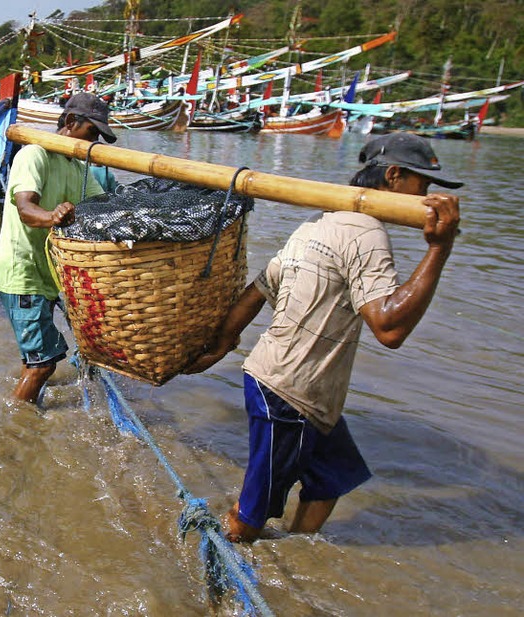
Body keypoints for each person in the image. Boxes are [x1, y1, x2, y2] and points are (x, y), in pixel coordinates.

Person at [186, 132, 462, 542]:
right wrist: (439, 249)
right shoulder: (367, 235)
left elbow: (259, 289)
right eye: (423, 184)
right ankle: (219, 580)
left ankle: (293, 550)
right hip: (288, 392)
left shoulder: (317, 224)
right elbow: (389, 329)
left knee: (334, 478)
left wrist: (224, 344)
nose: (427, 195)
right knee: (250, 516)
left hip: (300, 391)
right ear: (394, 176)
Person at [0, 92, 117, 404]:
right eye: (91, 132)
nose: (93, 141)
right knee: (43, 364)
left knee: (35, 356)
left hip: (48, 275)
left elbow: (102, 208)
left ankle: (27, 402)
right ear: (71, 122)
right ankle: (16, 425)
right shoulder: (35, 155)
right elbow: (25, 208)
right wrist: (52, 216)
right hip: (22, 272)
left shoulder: (77, 169)